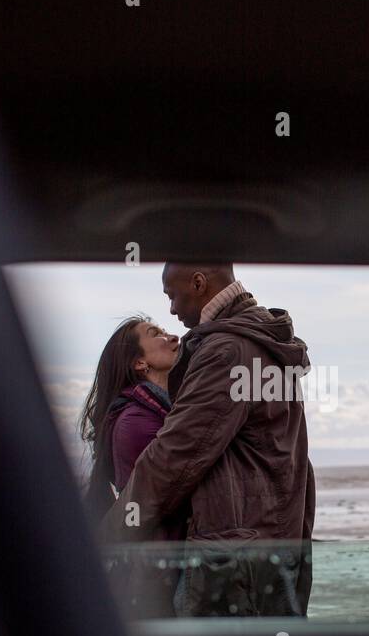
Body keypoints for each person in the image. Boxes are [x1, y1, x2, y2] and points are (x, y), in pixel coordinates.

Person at [103, 263, 316, 617]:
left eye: (173, 295)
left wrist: (107, 538)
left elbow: (174, 457)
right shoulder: (263, 344)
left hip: (233, 562)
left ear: (199, 283)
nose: (172, 309)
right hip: (272, 549)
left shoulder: (226, 351)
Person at [79, 316, 181, 616]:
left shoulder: (159, 408)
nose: (172, 337)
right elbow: (166, 494)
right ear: (139, 363)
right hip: (160, 572)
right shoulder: (136, 421)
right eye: (157, 335)